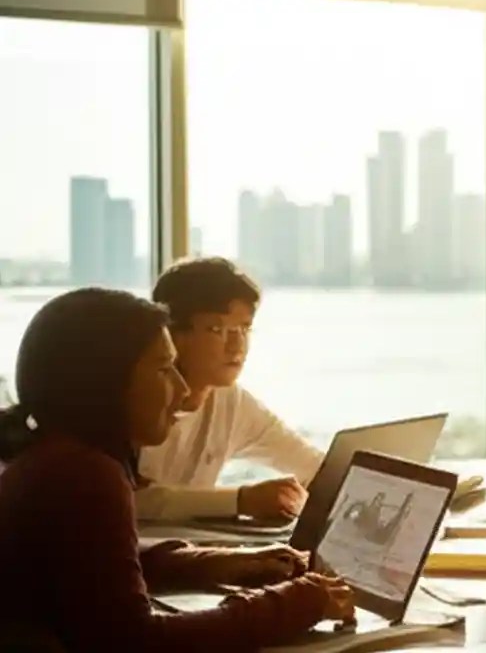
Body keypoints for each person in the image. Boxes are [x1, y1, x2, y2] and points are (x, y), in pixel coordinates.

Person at [0, 289, 354, 651]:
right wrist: (298, 603)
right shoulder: (85, 475)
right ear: (106, 381)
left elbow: (98, 568)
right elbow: (138, 642)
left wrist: (220, 563)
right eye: (163, 368)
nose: (182, 389)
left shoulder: (50, 457)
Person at [136, 257, 324, 521]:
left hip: (190, 543)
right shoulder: (135, 397)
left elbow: (314, 466)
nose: (237, 345)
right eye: (217, 329)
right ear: (172, 333)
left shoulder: (231, 401)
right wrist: (241, 500)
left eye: (244, 328)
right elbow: (128, 499)